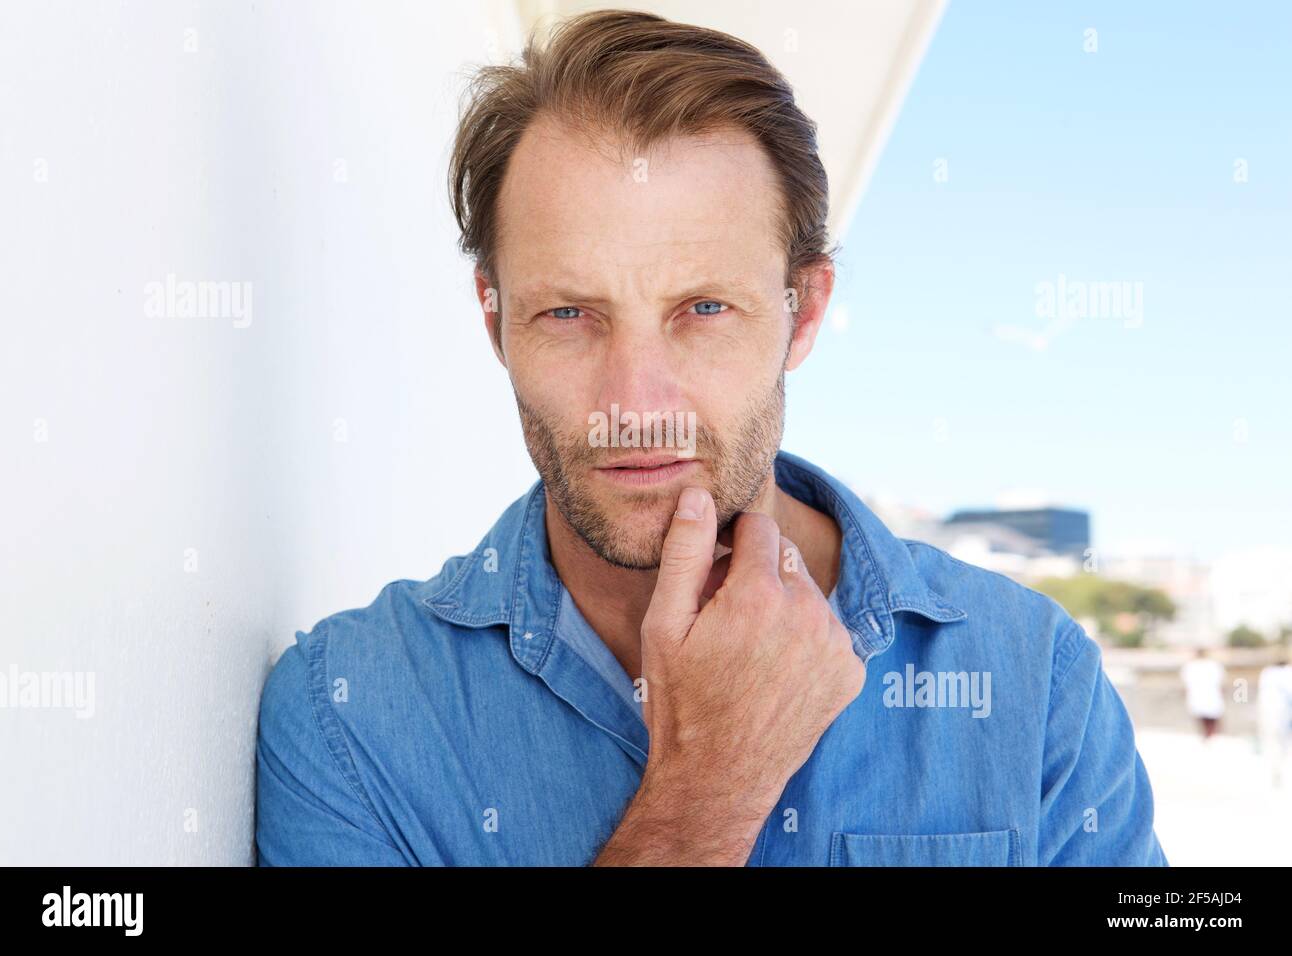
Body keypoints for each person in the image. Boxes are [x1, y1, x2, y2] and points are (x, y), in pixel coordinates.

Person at [254, 9, 1168, 866]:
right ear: (496, 324)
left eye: (702, 308)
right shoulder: (349, 714)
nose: (635, 401)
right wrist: (707, 791)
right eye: (569, 313)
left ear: (801, 315)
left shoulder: (1036, 682)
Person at [1257, 647, 1292, 785]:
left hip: (1268, 711)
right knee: (1283, 743)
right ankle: (1279, 770)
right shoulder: (1287, 672)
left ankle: (1276, 769)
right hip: (1283, 712)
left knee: (1272, 741)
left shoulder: (1267, 672)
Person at [1181, 646, 1225, 741]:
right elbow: (1221, 683)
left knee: (1203, 719)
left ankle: (1207, 737)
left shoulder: (1191, 666)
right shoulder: (1213, 665)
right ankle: (1210, 737)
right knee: (1210, 720)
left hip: (1201, 698)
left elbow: (1185, 685)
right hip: (1209, 697)